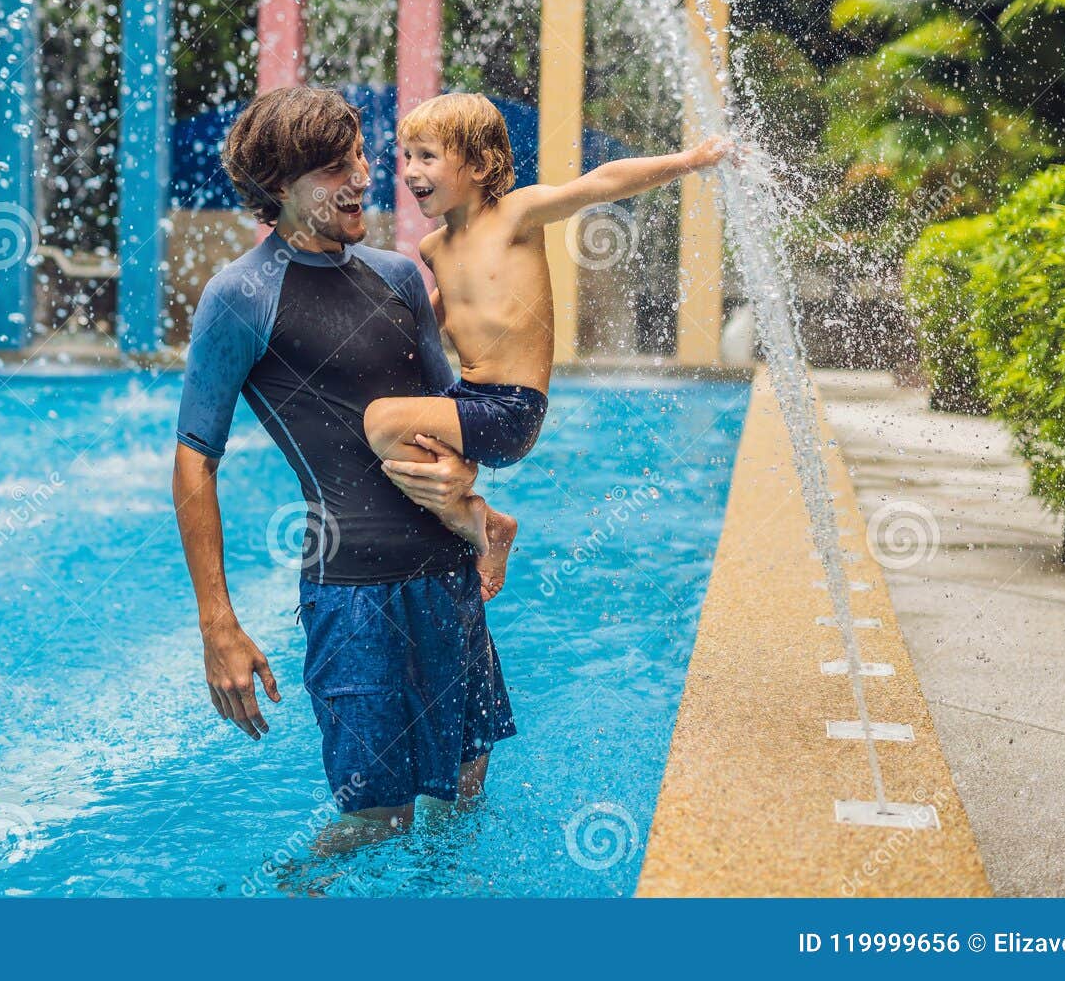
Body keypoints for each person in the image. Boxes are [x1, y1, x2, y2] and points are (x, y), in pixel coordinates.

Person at [172, 86, 516, 841]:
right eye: (334, 168)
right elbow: (196, 460)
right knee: (372, 819)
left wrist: (472, 491)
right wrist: (217, 625)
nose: (362, 176)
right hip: (352, 596)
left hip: (447, 579)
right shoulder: (241, 297)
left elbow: (449, 413)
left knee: (466, 787)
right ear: (278, 190)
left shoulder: (396, 279)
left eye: (360, 155)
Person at [364, 92, 734, 599]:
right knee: (374, 429)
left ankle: (480, 519)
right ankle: (461, 483)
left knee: (382, 420)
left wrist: (690, 160)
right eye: (407, 157)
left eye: (427, 156)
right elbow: (438, 316)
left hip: (512, 409)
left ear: (478, 165)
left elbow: (599, 184)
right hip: (466, 400)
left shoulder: (517, 215)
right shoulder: (434, 247)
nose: (410, 170)